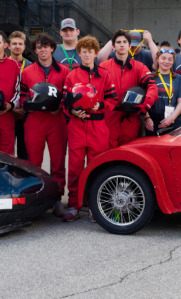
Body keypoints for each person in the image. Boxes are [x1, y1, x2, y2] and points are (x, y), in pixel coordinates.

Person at [62, 36, 118, 222]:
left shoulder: (105, 75)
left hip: (98, 127)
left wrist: (100, 105)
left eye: (90, 52)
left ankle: (95, 207)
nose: (87, 55)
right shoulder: (72, 75)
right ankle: (74, 205)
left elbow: (113, 100)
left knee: (97, 168)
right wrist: (72, 111)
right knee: (75, 168)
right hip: (77, 126)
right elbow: (64, 102)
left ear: (96, 53)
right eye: (83, 52)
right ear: (79, 53)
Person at [19, 34, 69, 216]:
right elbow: (22, 97)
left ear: (52, 48)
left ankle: (57, 199)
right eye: (39, 47)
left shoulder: (64, 71)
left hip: (57, 120)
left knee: (58, 162)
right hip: (35, 120)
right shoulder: (27, 72)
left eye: (46, 46)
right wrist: (30, 105)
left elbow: (68, 95)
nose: (43, 50)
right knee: (34, 163)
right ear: (35, 50)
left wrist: (61, 106)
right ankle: (37, 200)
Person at [99, 30, 159, 148]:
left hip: (131, 118)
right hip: (108, 118)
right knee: (107, 154)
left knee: (128, 153)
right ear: (113, 46)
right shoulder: (103, 67)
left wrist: (144, 106)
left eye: (125, 42)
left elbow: (152, 86)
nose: (122, 45)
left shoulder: (139, 67)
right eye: (118, 42)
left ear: (129, 45)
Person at [146, 47, 181, 133]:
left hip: (173, 120)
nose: (166, 62)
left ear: (173, 61)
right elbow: (143, 100)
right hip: (153, 121)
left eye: (170, 59)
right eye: (163, 58)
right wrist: (147, 118)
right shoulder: (150, 77)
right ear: (157, 59)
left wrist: (172, 118)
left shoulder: (178, 78)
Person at [9, 31, 32, 159]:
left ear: (24, 47)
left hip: (25, 114)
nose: (17, 46)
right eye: (14, 44)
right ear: (8, 46)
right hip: (8, 113)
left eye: (20, 44)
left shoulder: (30, 66)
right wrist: (11, 109)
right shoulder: (3, 64)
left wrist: (24, 108)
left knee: (24, 153)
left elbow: (32, 91)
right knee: (7, 153)